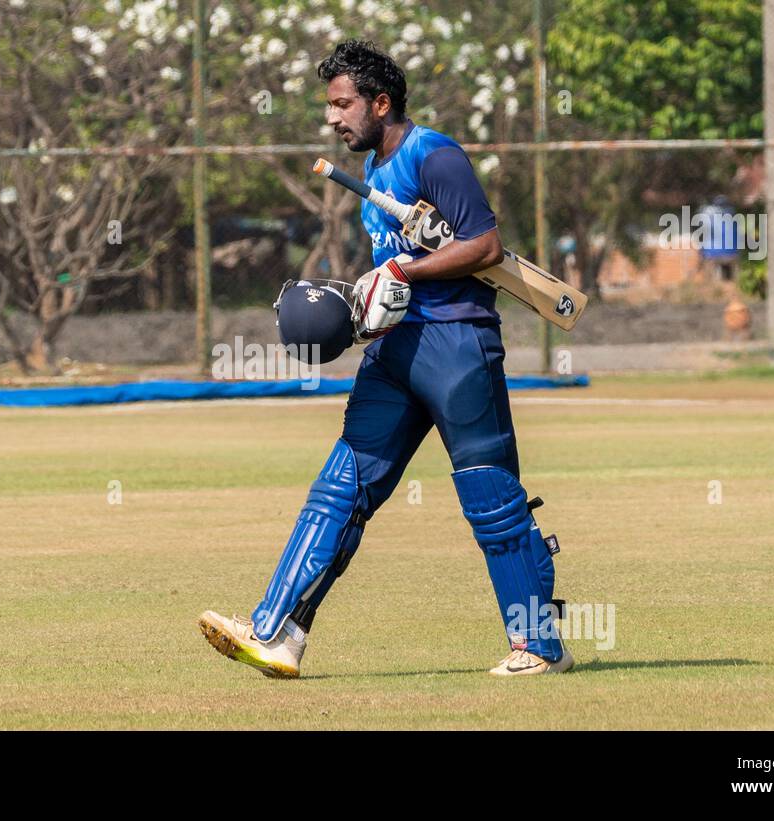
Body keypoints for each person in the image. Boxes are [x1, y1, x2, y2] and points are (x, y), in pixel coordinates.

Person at [198, 40, 572, 678]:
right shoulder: (374, 168)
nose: (332, 117)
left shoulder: (435, 153)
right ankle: (277, 631)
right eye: (330, 106)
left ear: (381, 102)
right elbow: (400, 271)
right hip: (397, 351)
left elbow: (484, 245)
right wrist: (368, 305)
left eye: (342, 104)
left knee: (492, 499)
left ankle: (539, 645)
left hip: (458, 346)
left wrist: (402, 267)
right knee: (340, 489)